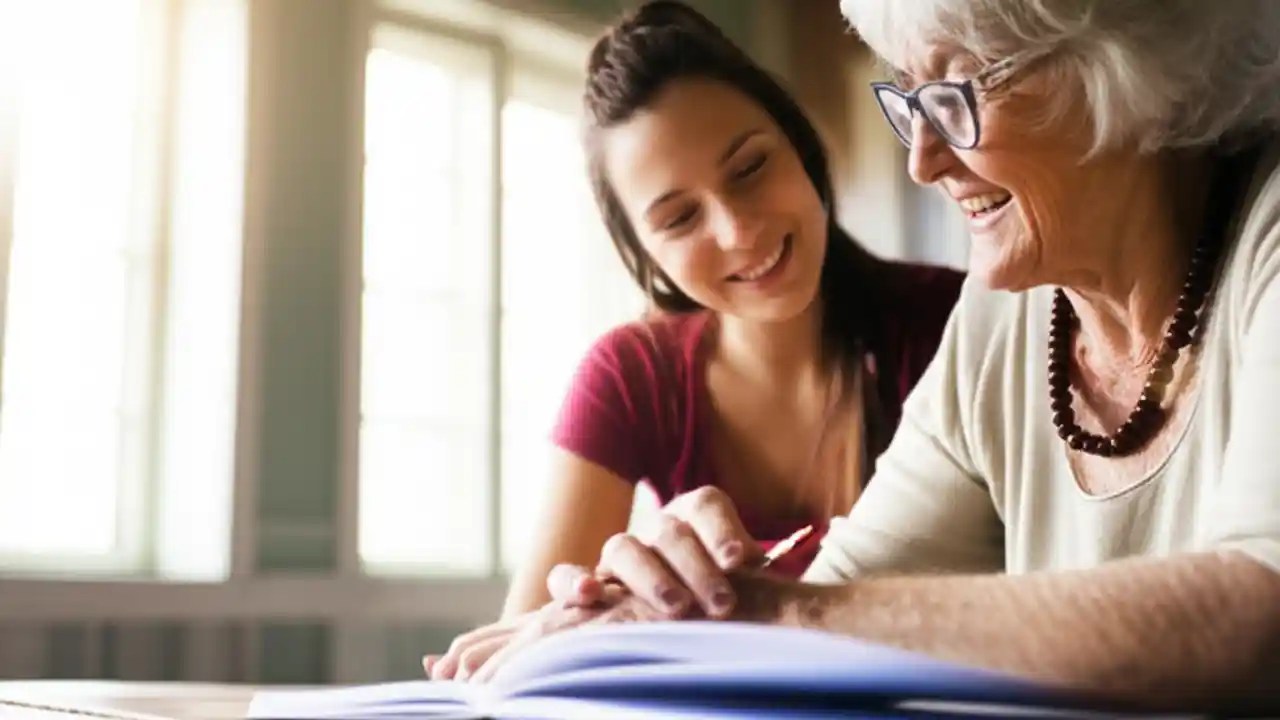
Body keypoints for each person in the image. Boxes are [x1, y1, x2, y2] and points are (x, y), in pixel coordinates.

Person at [433, 0, 1280, 711]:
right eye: (910, 99)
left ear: (1121, 62)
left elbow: (1260, 614)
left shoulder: (1263, 238)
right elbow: (837, 595)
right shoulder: (1001, 317)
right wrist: (668, 609)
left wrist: (754, 616)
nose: (924, 159)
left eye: (958, 91)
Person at [424, 0, 964, 678]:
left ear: (800, 148)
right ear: (643, 253)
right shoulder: (629, 374)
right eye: (679, 218)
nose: (738, 232)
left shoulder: (956, 323)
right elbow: (529, 638)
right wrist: (603, 601)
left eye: (750, 169)